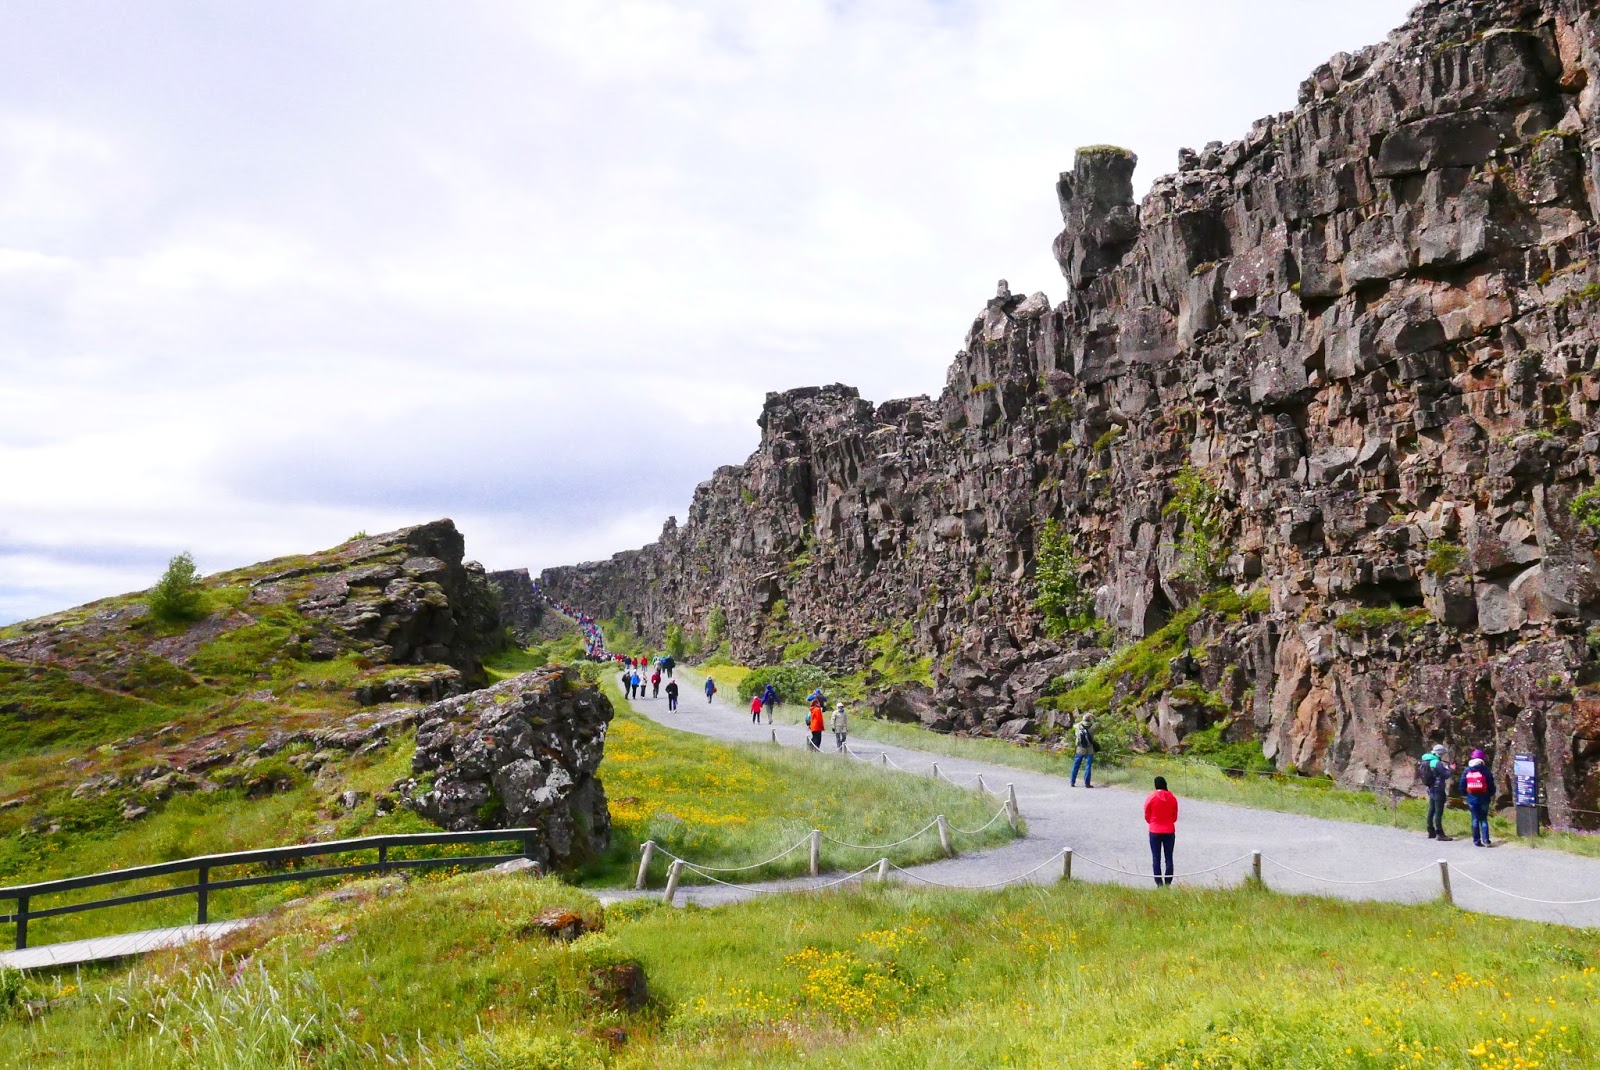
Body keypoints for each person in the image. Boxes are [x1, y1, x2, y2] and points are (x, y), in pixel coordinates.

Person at [1144, 776, 1178, 887]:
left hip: (1155, 830)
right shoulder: (1172, 797)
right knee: (1169, 857)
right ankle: (1168, 883)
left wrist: (1152, 822)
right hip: (1169, 830)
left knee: (1156, 858)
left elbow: (1147, 814)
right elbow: (1174, 815)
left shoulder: (1151, 797)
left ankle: (1159, 883)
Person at [1461, 748, 1497, 847]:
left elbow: (1462, 784)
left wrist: (1465, 793)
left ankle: (1476, 841)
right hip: (1484, 797)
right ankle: (1486, 841)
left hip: (1471, 797)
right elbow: (1491, 784)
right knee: (1484, 819)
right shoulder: (1485, 770)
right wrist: (1491, 794)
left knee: (1475, 818)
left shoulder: (1467, 770)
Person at [1420, 743, 1454, 841]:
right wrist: (1451, 769)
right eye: (1443, 753)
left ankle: (1430, 831)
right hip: (1438, 789)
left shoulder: (1426, 760)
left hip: (1430, 788)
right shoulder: (1437, 763)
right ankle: (1440, 834)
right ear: (1440, 753)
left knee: (1431, 810)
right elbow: (1446, 775)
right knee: (1438, 811)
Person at [1070, 714, 1098, 788]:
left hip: (1080, 747)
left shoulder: (1078, 726)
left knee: (1076, 765)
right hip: (1090, 748)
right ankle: (1087, 783)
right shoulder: (1093, 726)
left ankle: (1072, 782)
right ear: (1090, 719)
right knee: (1088, 766)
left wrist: (1081, 721)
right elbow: (1098, 723)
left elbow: (1073, 725)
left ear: (1083, 719)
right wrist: (1093, 716)